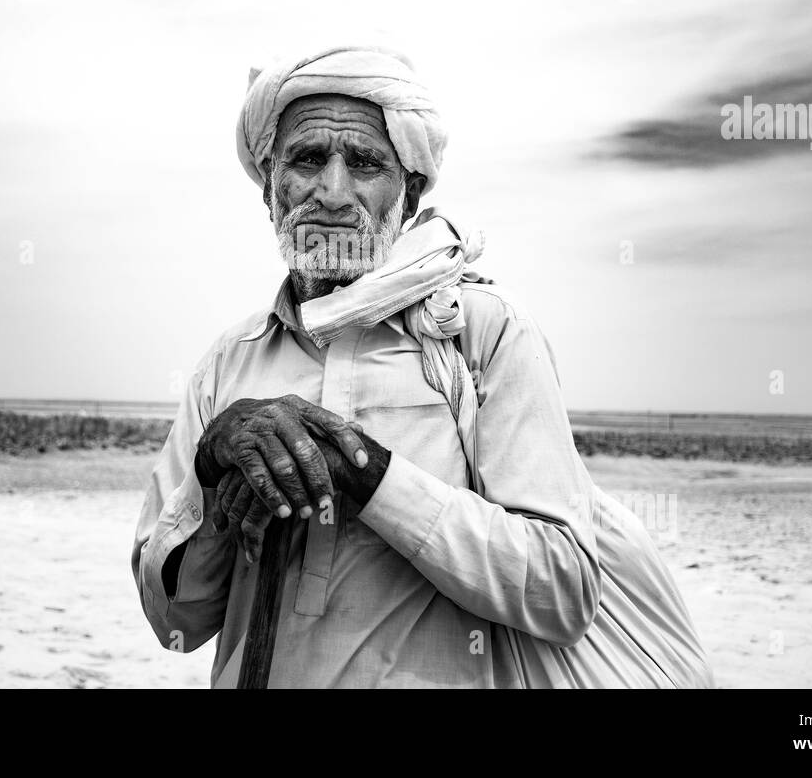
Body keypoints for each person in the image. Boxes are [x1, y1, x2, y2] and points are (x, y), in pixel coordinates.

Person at [132, 44, 711, 688]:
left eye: (365, 163)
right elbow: (174, 622)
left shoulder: (482, 333)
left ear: (408, 195)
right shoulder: (229, 362)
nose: (333, 192)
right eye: (306, 159)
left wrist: (369, 474)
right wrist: (212, 473)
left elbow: (563, 592)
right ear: (270, 187)